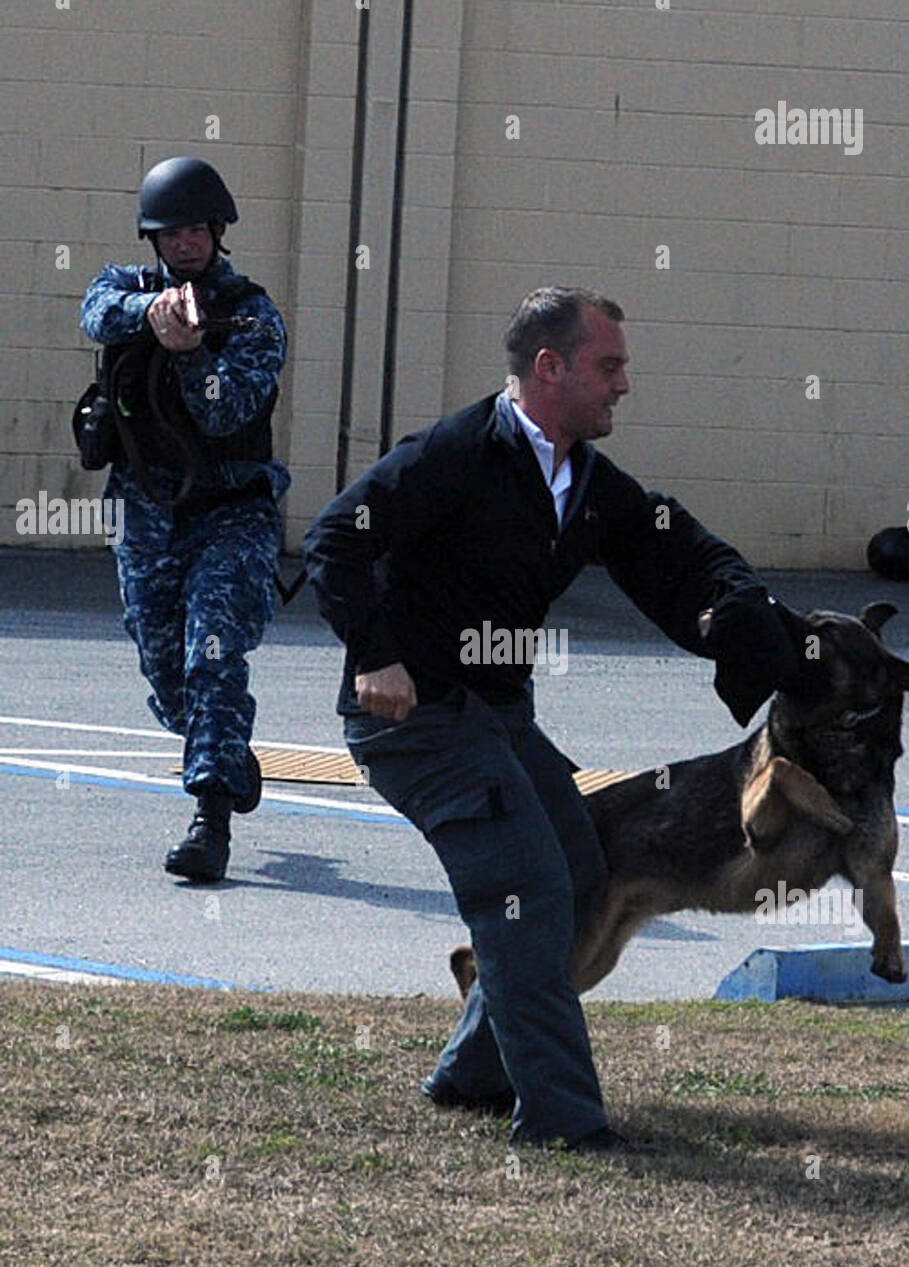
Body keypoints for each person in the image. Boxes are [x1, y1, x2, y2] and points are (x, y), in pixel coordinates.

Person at [304, 287, 798, 1151]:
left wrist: (734, 609)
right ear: (549, 368)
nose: (622, 387)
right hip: (414, 717)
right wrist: (375, 652)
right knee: (526, 890)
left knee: (578, 863)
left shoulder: (586, 481)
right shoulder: (454, 453)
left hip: (494, 713)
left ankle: (474, 1075)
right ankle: (562, 1120)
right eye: (608, 367)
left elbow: (674, 551)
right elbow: (335, 539)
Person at [80, 156, 289, 881]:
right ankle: (227, 753)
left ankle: (210, 820)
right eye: (172, 233)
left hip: (230, 515)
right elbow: (95, 311)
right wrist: (154, 315)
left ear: (218, 232)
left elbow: (228, 409)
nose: (187, 244)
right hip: (146, 512)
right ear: (155, 240)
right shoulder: (129, 291)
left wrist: (193, 351)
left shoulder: (253, 315)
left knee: (212, 655)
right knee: (166, 672)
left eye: (198, 230)